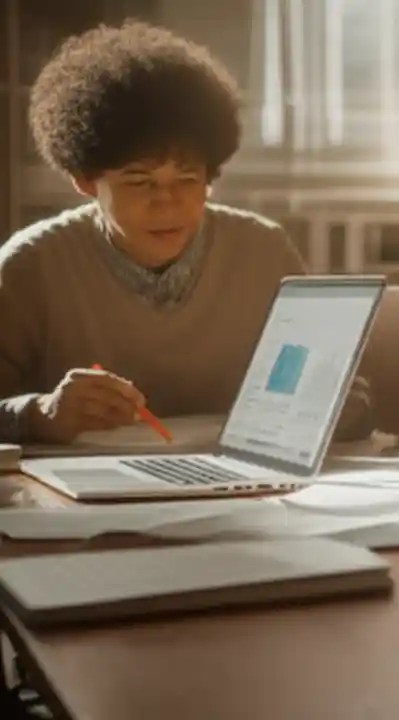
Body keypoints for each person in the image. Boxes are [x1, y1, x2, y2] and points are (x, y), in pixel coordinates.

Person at [0, 21, 369, 445]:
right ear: (85, 180)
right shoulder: (31, 266)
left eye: (188, 179)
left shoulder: (263, 252)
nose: (168, 202)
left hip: (237, 486)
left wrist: (332, 406)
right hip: (79, 494)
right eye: (141, 181)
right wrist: (40, 414)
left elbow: (349, 393)